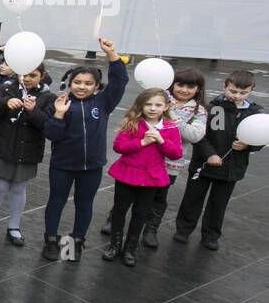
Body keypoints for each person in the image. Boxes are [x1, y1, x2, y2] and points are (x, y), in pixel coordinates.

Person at [41, 38, 127, 261]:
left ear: (97, 86)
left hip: (92, 167)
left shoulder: (102, 103)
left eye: (88, 83)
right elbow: (51, 134)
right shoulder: (59, 104)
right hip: (62, 165)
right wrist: (59, 114)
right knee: (56, 201)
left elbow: (120, 81)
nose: (82, 86)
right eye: (77, 82)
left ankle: (76, 242)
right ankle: (51, 240)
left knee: (84, 204)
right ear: (71, 83)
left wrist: (113, 56)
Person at [174, 69, 262, 250]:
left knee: (219, 204)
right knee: (192, 199)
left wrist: (248, 145)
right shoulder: (212, 108)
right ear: (224, 87)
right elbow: (200, 136)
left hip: (231, 168)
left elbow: (259, 136)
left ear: (251, 91)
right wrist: (209, 154)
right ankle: (183, 229)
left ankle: (211, 235)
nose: (237, 96)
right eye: (233, 91)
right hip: (204, 164)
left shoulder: (254, 113)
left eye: (243, 93)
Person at [102, 89, 182, 266]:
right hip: (127, 174)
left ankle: (130, 247)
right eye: (148, 104)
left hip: (151, 178)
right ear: (141, 105)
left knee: (140, 213)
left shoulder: (170, 128)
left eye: (158, 105)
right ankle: (114, 245)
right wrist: (142, 142)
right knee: (120, 210)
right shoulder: (133, 123)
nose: (153, 108)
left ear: (166, 106)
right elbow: (119, 146)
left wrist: (162, 141)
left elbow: (176, 153)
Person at [0, 65, 52, 246]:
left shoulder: (48, 97)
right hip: (3, 147)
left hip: (27, 151)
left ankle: (14, 226)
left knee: (19, 188)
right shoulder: (6, 88)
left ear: (42, 76)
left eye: (33, 75)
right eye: (24, 74)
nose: (27, 78)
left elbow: (48, 125)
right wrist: (5, 103)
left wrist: (33, 111)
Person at [138, 68, 207, 246]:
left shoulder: (198, 111)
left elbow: (194, 135)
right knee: (133, 191)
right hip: (142, 158)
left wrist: (171, 113)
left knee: (159, 197)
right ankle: (115, 218)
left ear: (198, 89)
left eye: (190, 86)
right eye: (180, 84)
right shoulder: (157, 100)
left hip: (170, 162)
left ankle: (151, 229)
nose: (184, 89)